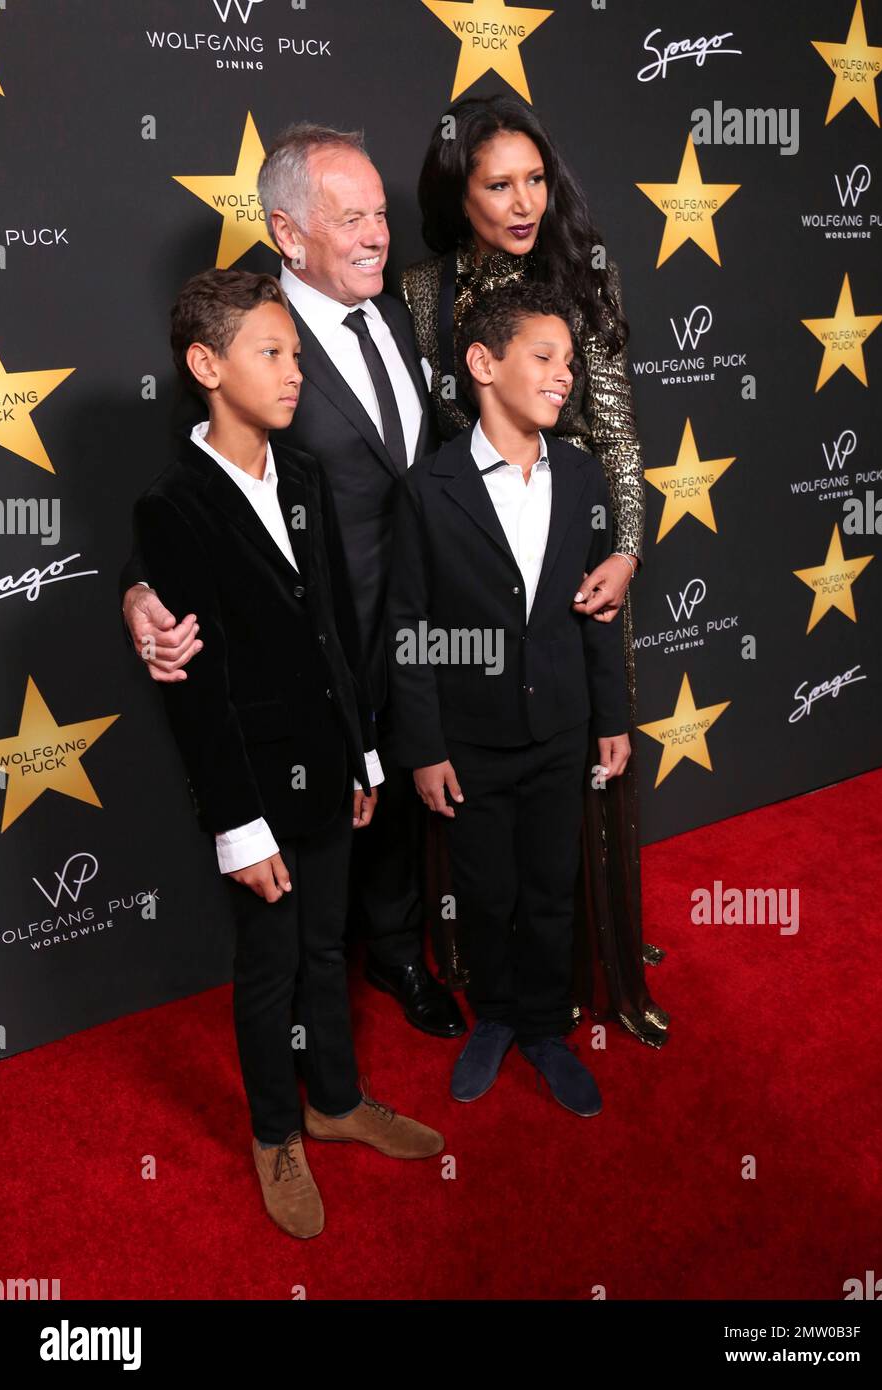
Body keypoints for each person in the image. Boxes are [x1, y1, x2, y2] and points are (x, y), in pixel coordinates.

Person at [120, 123, 464, 1041]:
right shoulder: (255, 343)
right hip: (319, 639)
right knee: (329, 824)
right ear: (288, 232)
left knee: (398, 797)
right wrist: (138, 593)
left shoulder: (398, 313)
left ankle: (397, 955)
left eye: (381, 215)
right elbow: (191, 491)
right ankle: (325, 995)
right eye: (351, 218)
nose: (377, 235)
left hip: (419, 622)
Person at [132, 268, 443, 1240]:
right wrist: (236, 824)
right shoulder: (172, 507)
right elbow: (199, 692)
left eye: (297, 354)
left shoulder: (302, 475)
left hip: (330, 770)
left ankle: (336, 1098)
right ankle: (277, 1131)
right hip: (256, 792)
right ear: (206, 365)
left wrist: (362, 758)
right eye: (272, 353)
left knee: (324, 946)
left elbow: (339, 635)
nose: (293, 371)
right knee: (269, 967)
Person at [400, 94, 669, 1047]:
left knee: (584, 765)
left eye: (535, 179)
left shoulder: (582, 277)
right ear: (456, 190)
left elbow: (622, 438)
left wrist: (627, 550)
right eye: (497, 183)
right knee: (480, 780)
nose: (523, 202)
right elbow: (425, 439)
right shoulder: (425, 292)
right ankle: (485, 978)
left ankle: (598, 964)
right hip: (474, 551)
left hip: (582, 551)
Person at [387, 282, 630, 1114]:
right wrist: (421, 746)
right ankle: (492, 1014)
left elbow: (598, 608)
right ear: (483, 364)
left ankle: (543, 1029)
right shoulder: (430, 489)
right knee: (486, 891)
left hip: (562, 728)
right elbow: (409, 628)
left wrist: (610, 719)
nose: (565, 377)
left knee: (551, 885)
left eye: (569, 362)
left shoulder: (585, 474)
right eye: (544, 357)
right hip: (472, 739)